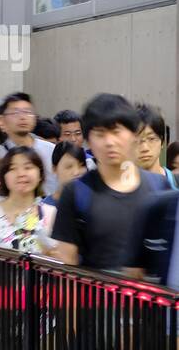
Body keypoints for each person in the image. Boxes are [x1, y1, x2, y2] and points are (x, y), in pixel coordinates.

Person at [49, 93, 169, 272]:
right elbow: (68, 268)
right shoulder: (76, 192)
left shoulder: (159, 187)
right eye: (100, 134)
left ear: (133, 135)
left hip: (150, 298)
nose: (109, 142)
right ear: (88, 140)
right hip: (94, 297)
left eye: (116, 131)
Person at [0, 146, 57, 254]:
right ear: (4, 177)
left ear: (40, 175)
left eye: (28, 167)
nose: (21, 174)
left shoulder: (52, 214)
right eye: (13, 168)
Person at [0, 92, 58, 196]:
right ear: (3, 119)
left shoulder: (51, 150)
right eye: (15, 113)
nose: (22, 117)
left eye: (27, 112)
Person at [134, 103, 177, 190]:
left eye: (151, 138)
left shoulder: (176, 184)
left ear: (162, 142)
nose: (145, 148)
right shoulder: (121, 188)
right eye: (137, 141)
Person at [48, 141, 88, 206]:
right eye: (69, 167)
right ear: (54, 169)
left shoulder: (97, 202)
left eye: (82, 165)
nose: (76, 172)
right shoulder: (44, 209)